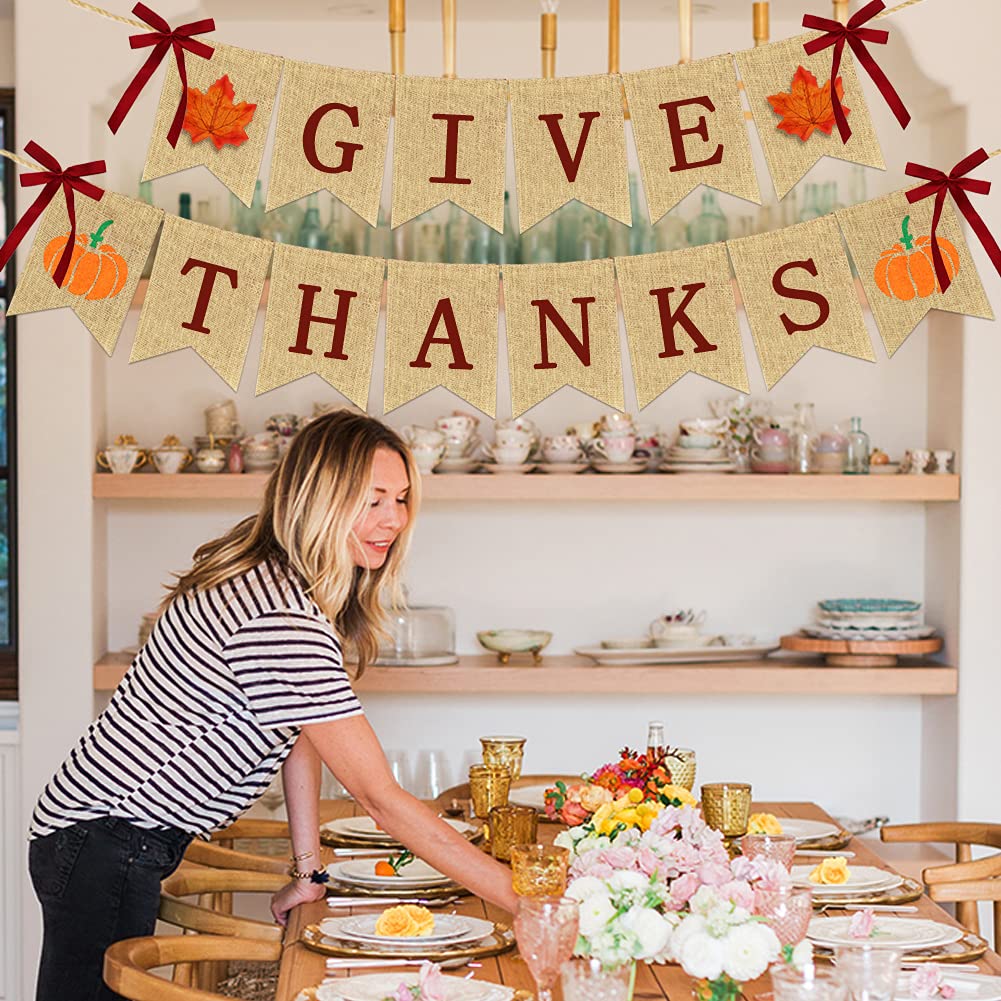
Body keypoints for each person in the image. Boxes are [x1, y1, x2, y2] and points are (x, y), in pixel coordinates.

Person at [29, 410, 519, 1001]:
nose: (394, 520)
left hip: (111, 836)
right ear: (318, 500)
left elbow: (299, 734)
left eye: (402, 499)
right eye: (373, 501)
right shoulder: (280, 616)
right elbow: (378, 798)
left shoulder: (283, 586)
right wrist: (525, 898)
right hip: (105, 837)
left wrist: (308, 871)